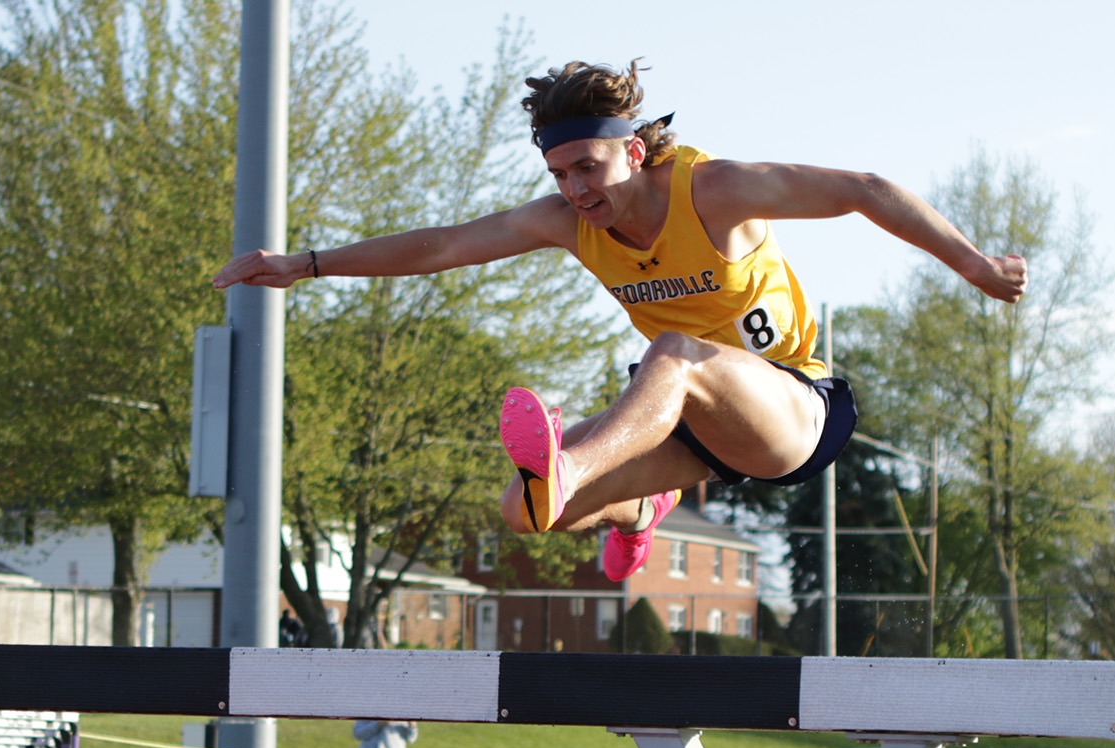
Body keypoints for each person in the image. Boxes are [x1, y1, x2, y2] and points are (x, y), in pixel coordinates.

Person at [213, 59, 1026, 580]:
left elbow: (863, 189)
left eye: (586, 167)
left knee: (672, 353)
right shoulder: (568, 222)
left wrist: (975, 265)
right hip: (690, 425)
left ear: (633, 151)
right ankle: (639, 514)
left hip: (793, 410)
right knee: (523, 510)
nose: (574, 191)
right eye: (558, 175)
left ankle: (575, 467)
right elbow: (444, 245)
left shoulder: (716, 191)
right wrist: (306, 264)